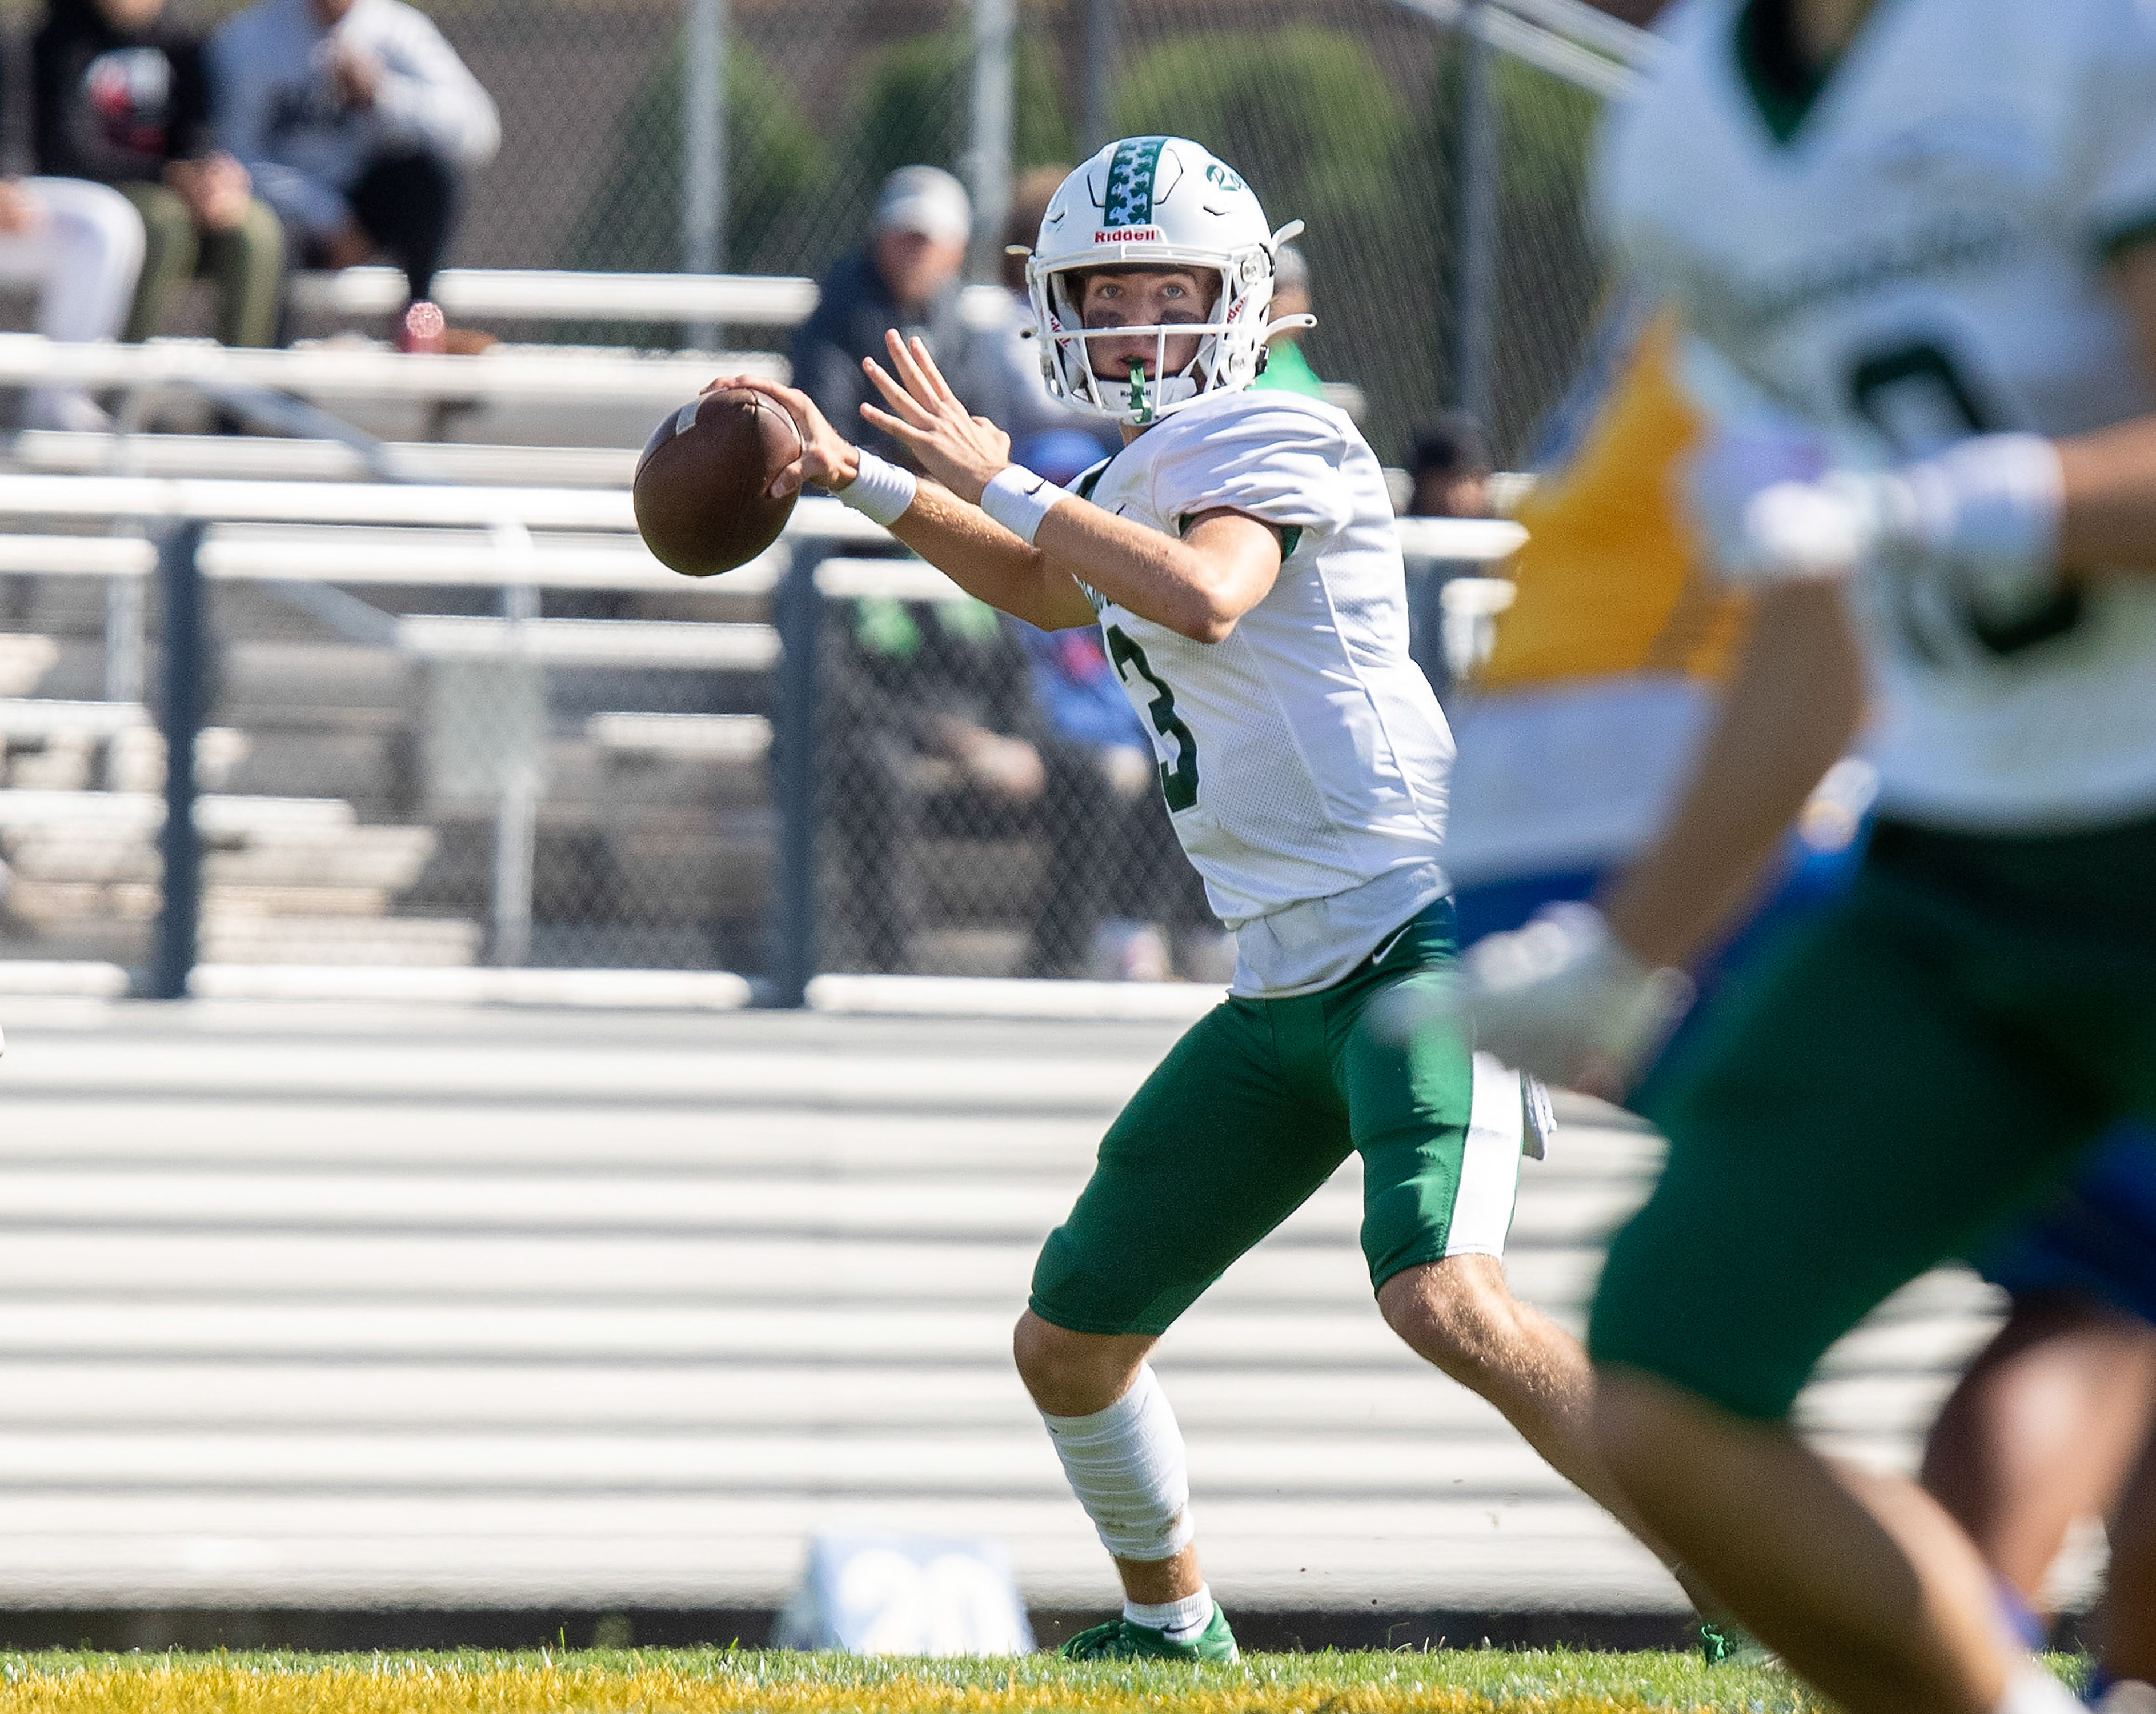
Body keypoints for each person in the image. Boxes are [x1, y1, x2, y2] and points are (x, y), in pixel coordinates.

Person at [720, 133, 1709, 1665]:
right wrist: (862, 481)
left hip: (1413, 941)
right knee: (1068, 1340)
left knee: (1443, 1298)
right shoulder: (1128, 476)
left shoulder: (1281, 434)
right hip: (1278, 979)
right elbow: (1054, 584)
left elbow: (1203, 593)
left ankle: (1760, 1588)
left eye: (1166, 291)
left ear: (1244, 297)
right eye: (1105, 298)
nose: (1135, 328)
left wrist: (1000, 475)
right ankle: (1170, 1625)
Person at [1449, 0, 2156, 1708]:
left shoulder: (2079, 37)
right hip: (1970, 869)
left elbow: (1888, 516)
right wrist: (1637, 940)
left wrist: (1966, 503)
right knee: (1676, 1377)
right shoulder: (1688, 130)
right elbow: (1811, 598)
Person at [209, 0, 498, 346]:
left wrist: (384, 95)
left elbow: (480, 130)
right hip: (289, 212)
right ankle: (267, 368)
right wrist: (328, 215)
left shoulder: (395, 29)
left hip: (365, 208)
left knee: (431, 178)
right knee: (261, 225)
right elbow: (231, 161)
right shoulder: (249, 38)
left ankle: (420, 328)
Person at [34, 0, 283, 348]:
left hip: (177, 188)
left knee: (255, 230)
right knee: (163, 222)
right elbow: (66, 149)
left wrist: (211, 177)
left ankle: (245, 393)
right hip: (100, 191)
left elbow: (199, 132)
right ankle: (110, 387)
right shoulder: (57, 38)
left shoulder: (183, 41)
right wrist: (167, 175)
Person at [791, 166, 987, 471]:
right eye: (903, 237)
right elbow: (828, 427)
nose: (913, 254)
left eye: (925, 241)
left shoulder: (959, 327)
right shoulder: (839, 316)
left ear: (957, 251)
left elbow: (984, 424)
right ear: (878, 239)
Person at [1249, 243, 1325, 397]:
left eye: (1296, 288)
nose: (1285, 301)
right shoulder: (1239, 356)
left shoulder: (1289, 353)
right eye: (1275, 289)